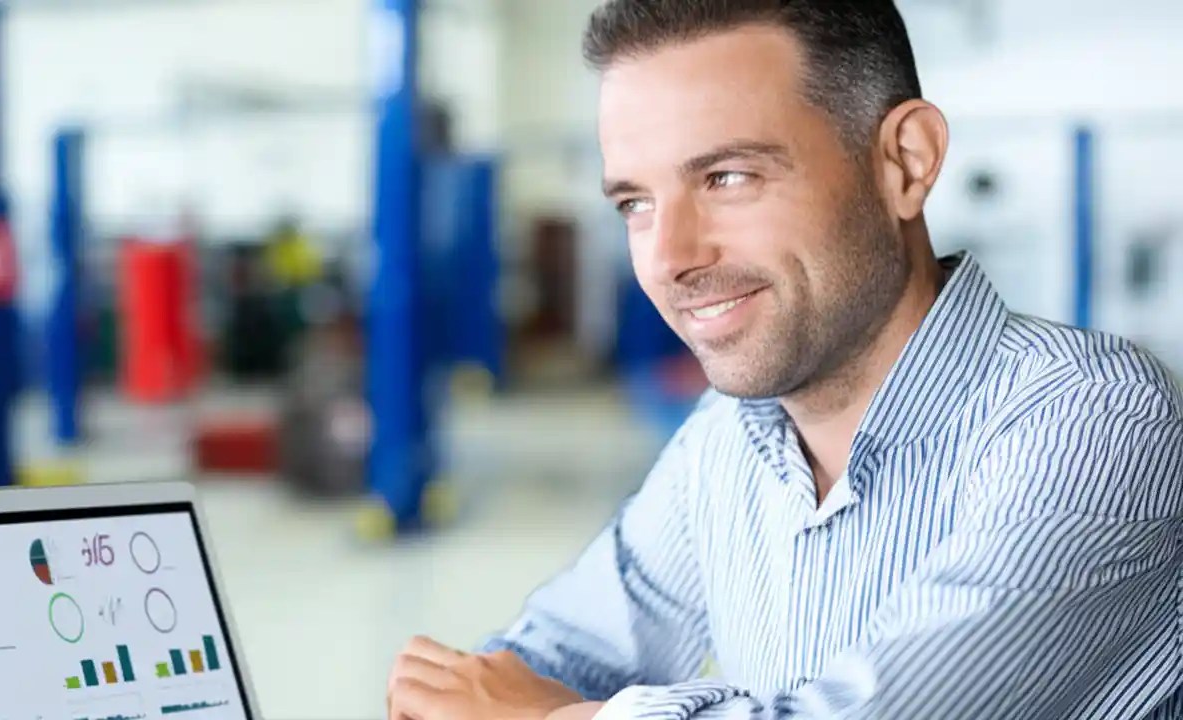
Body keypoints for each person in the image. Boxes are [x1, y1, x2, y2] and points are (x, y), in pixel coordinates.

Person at [387, 1, 1183, 718]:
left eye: (728, 177)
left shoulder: (1096, 418)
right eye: (635, 203)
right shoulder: (730, 437)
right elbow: (538, 661)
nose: (669, 257)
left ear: (905, 161)